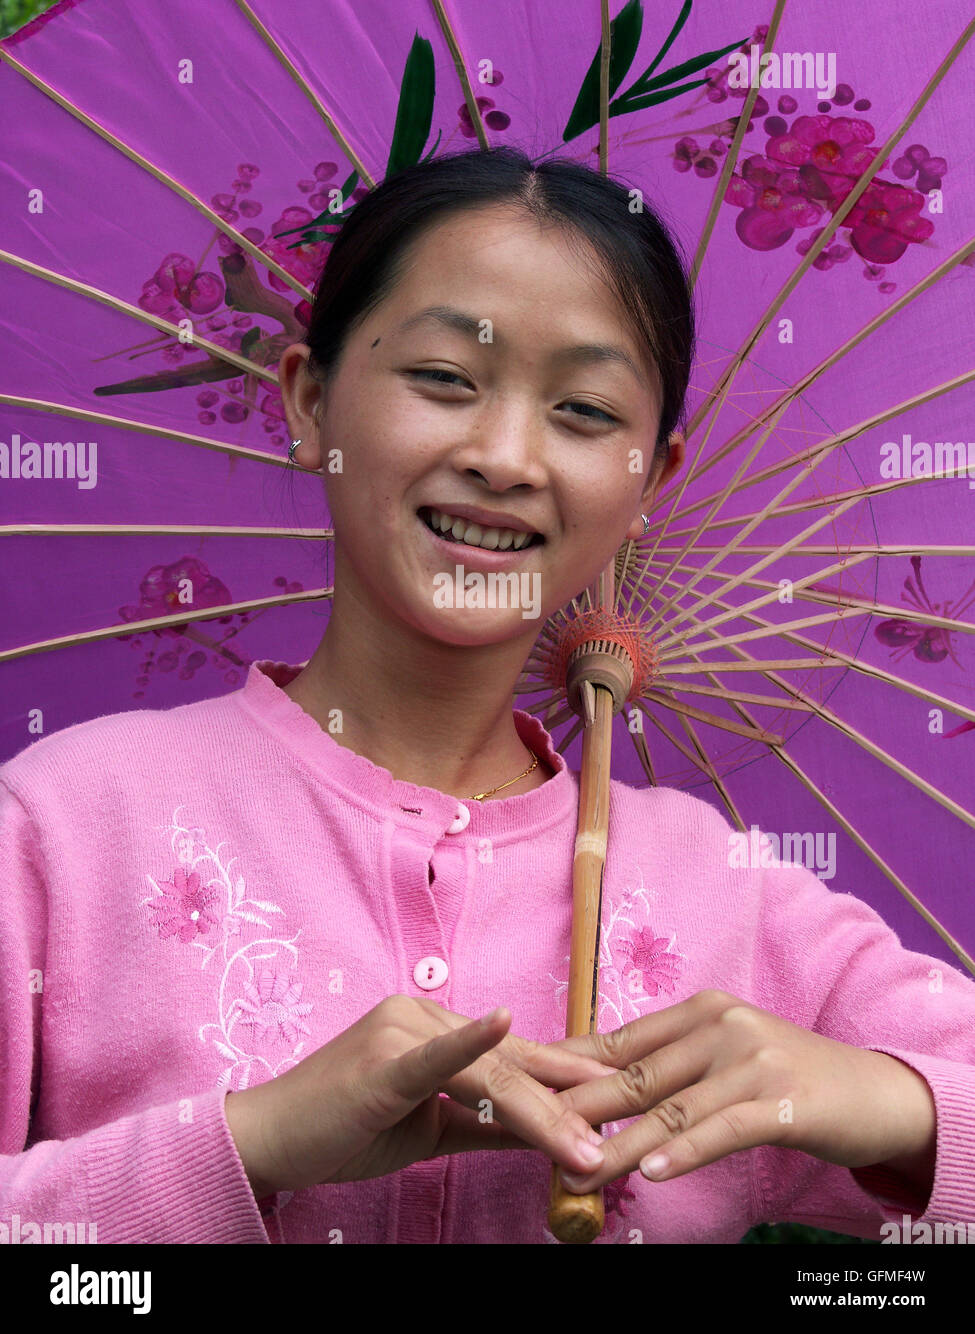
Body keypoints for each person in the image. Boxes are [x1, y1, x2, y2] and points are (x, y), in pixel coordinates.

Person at [1, 146, 973, 1246]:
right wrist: (252, 1145)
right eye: (446, 380)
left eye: (586, 411)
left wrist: (889, 1103)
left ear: (653, 479)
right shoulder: (62, 828)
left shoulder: (733, 898)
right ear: (310, 399)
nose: (507, 456)